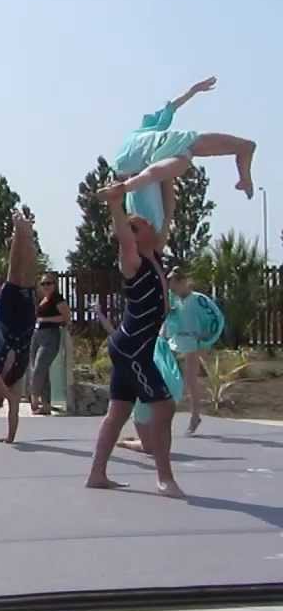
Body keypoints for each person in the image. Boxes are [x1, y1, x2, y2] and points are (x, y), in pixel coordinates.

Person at [86, 188, 184, 497]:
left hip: (130, 346)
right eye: (139, 226)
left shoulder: (154, 255)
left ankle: (97, 474)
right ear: (132, 236)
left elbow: (167, 217)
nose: (150, 226)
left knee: (118, 412)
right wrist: (116, 204)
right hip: (133, 349)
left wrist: (166, 185)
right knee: (164, 405)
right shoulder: (132, 261)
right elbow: (125, 236)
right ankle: (164, 479)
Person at [111, 77, 255, 236]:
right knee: (245, 147)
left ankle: (245, 180)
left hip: (131, 162)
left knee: (244, 147)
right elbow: (172, 106)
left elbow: (171, 107)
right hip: (166, 148)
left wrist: (193, 90)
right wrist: (193, 91)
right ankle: (245, 180)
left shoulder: (140, 135)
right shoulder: (163, 136)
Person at [0, 211, 39, 443]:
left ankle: (18, 229)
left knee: (14, 276)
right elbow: (13, 412)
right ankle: (28, 233)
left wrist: (5, 393)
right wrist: (10, 438)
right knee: (29, 279)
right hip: (24, 326)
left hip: (6, 321)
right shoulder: (14, 384)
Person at [164, 268, 225, 435]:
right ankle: (165, 414)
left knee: (190, 379)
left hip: (193, 341)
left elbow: (216, 317)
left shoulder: (198, 300)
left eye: (174, 284)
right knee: (168, 374)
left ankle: (195, 416)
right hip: (178, 340)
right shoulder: (175, 300)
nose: (172, 288)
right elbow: (171, 318)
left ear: (183, 283)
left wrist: (207, 338)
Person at [30, 274, 70, 415]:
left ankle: (34, 397)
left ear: (55, 284)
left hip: (50, 335)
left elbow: (66, 317)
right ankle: (46, 404)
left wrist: (45, 319)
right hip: (37, 335)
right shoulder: (43, 300)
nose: (46, 286)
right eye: (43, 284)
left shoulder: (57, 298)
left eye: (49, 283)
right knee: (41, 370)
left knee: (40, 367)